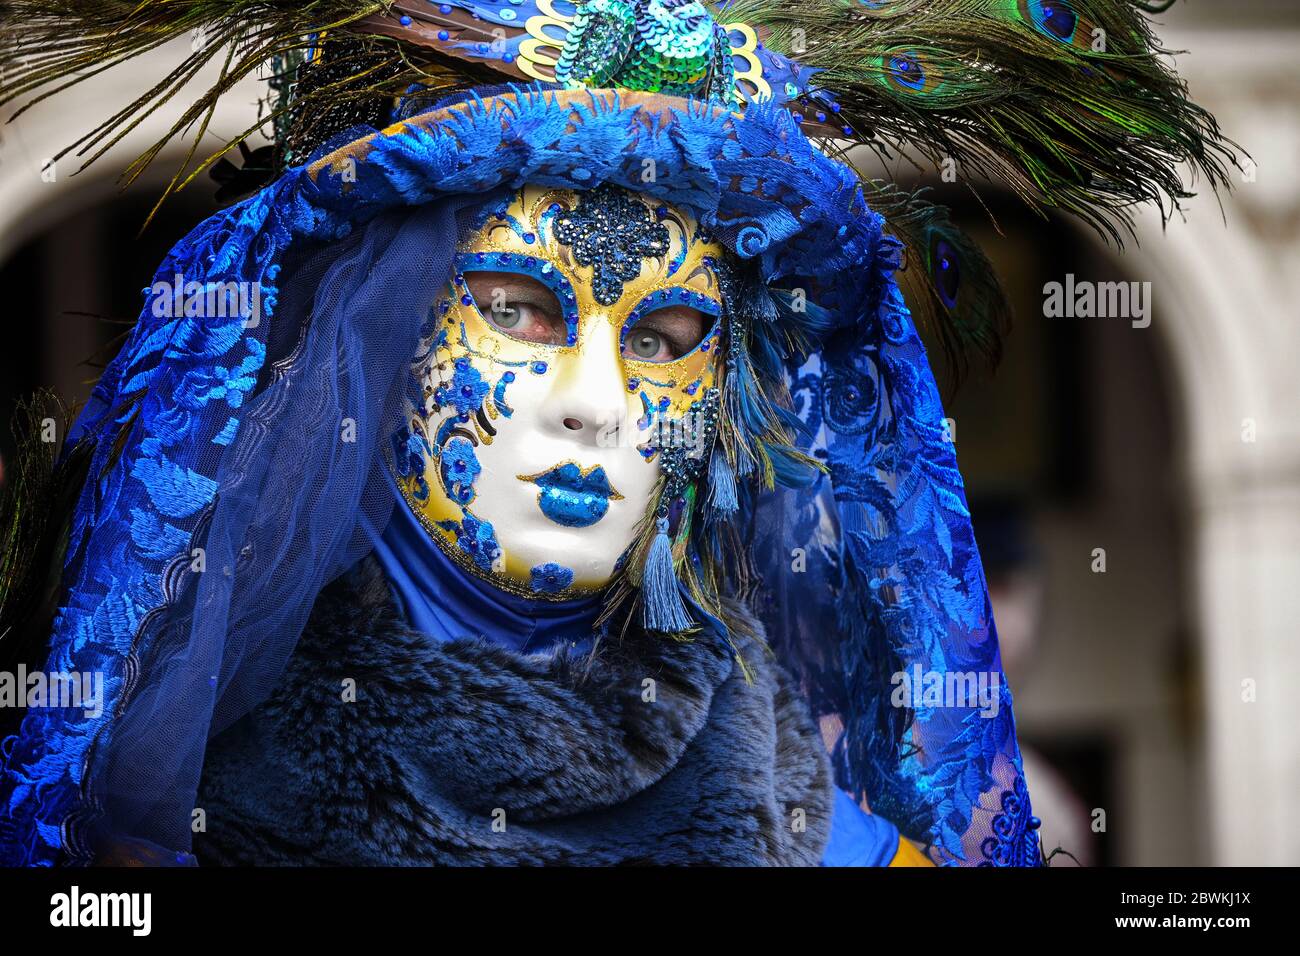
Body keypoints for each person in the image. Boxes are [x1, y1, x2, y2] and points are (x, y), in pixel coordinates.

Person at [0, 0, 1232, 866]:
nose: (593, 399)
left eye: (663, 334)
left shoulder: (837, 838)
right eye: (518, 312)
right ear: (373, 347)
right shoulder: (151, 824)